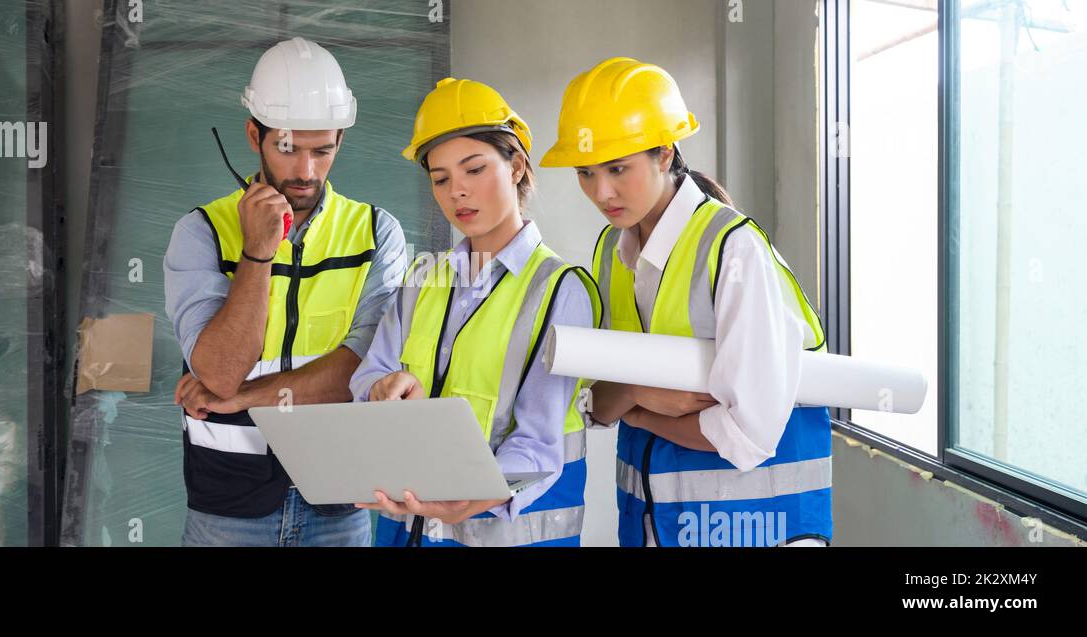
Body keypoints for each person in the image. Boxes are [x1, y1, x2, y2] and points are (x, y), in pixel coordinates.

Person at [539, 57, 832, 547]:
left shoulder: (734, 250)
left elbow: (749, 434)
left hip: (758, 527)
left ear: (663, 154)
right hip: (656, 521)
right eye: (585, 172)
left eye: (617, 168)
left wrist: (640, 407)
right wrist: (635, 393)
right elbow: (595, 401)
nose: (600, 191)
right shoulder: (612, 253)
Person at [164, 37, 407, 547]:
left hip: (339, 498)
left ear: (341, 138)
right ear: (255, 134)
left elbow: (363, 367)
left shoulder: (376, 232)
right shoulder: (201, 232)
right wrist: (257, 252)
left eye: (323, 150)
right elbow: (220, 371)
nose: (306, 171)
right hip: (227, 506)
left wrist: (242, 400)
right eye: (288, 147)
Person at [351, 78, 600, 547]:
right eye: (441, 179)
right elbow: (368, 377)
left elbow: (537, 444)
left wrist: (461, 497)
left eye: (474, 170)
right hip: (408, 530)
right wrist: (381, 388)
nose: (457, 192)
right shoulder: (424, 278)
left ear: (517, 166)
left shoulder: (560, 290)